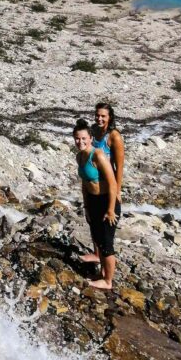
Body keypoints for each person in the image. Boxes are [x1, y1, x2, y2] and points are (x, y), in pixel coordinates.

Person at [73, 118, 120, 289]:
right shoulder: (79, 157)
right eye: (77, 138)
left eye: (84, 138)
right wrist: (86, 207)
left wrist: (110, 209)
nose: (80, 141)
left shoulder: (98, 154)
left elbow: (113, 182)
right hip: (93, 202)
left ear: (91, 139)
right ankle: (102, 274)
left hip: (107, 201)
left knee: (106, 243)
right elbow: (85, 184)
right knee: (98, 240)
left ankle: (108, 282)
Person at [80, 102, 124, 263]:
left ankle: (105, 263)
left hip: (107, 185)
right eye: (97, 115)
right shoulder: (93, 131)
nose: (99, 118)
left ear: (109, 117)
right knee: (93, 221)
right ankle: (96, 253)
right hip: (93, 183)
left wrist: (118, 191)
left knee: (105, 227)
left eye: (103, 116)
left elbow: (119, 167)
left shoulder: (114, 137)